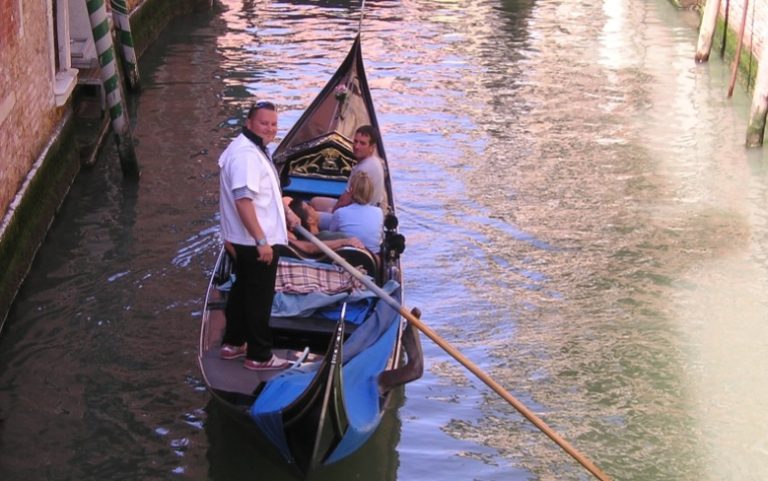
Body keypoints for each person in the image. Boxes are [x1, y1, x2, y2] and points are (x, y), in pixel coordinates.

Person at [218, 100, 293, 371]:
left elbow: (261, 195)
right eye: (264, 123)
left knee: (241, 291)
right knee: (259, 299)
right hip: (255, 241)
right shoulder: (247, 156)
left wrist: (287, 214)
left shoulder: (248, 148)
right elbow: (243, 201)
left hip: (244, 240)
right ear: (249, 123)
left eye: (274, 124)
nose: (270, 128)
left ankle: (233, 343)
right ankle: (259, 356)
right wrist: (262, 241)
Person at [311, 125, 387, 220]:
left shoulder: (362, 170)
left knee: (311, 216)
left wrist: (333, 212)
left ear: (372, 147)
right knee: (315, 201)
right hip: (365, 210)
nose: (356, 146)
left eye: (362, 143)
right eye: (355, 141)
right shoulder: (375, 161)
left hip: (356, 216)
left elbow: (344, 201)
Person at [328, 171, 383, 252]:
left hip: (345, 254)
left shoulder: (340, 213)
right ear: (370, 192)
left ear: (351, 190)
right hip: (371, 256)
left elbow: (331, 234)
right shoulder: (379, 212)